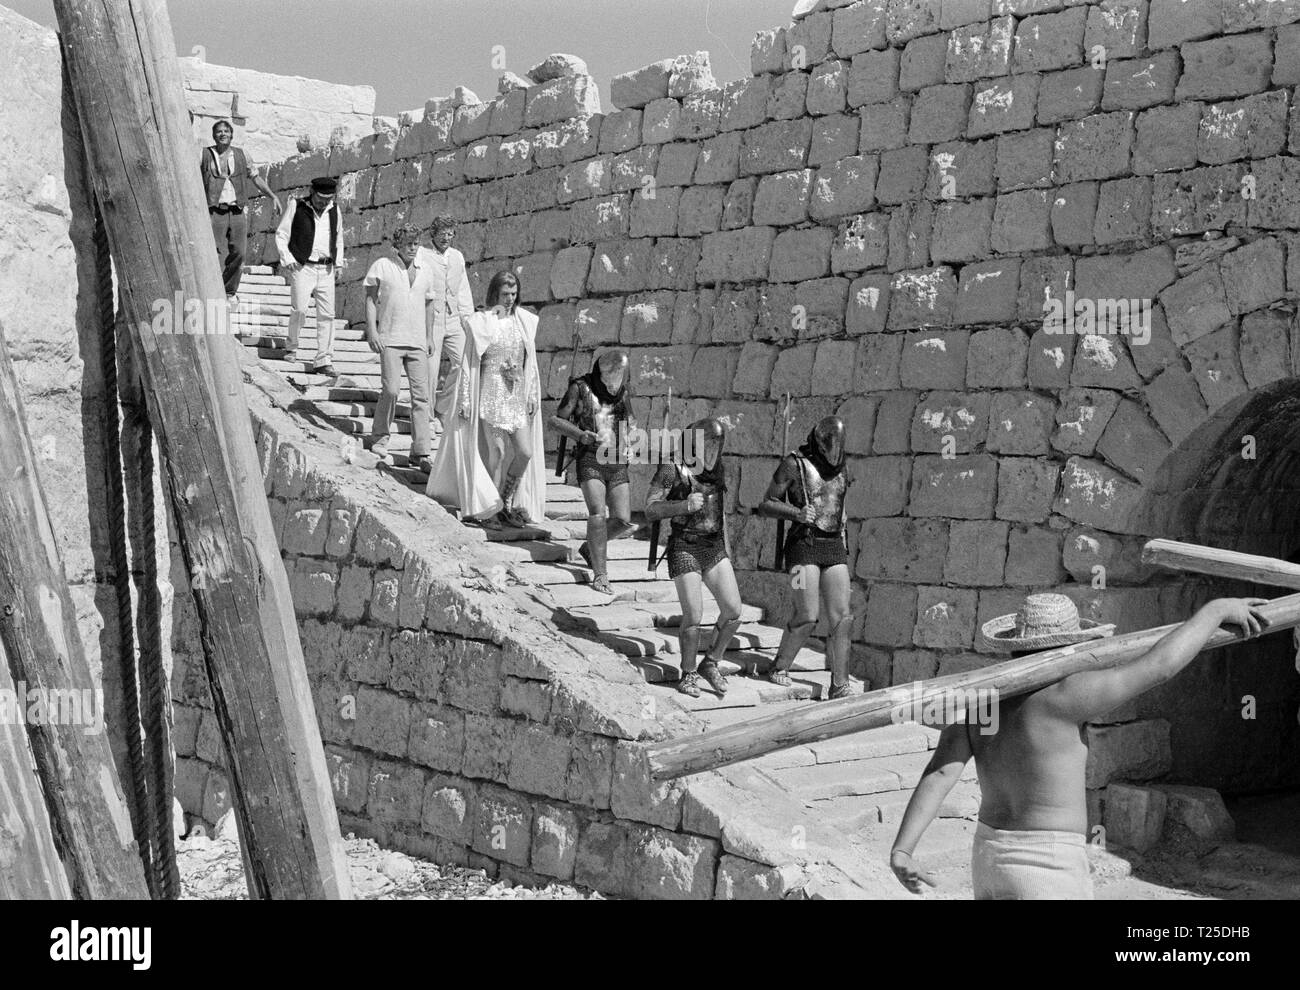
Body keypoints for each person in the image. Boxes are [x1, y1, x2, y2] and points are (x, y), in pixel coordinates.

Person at [889, 593, 1270, 900]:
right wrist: (1216, 610)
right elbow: (1161, 666)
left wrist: (903, 849)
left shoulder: (982, 701)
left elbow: (939, 773)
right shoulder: (1068, 694)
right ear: (1072, 645)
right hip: (1047, 867)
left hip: (988, 856)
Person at [426, 270, 545, 529]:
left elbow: (531, 362)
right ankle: (490, 508)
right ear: (495, 294)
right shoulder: (482, 322)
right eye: (505, 294)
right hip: (490, 393)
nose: (510, 298)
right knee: (498, 453)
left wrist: (532, 393)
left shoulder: (523, 321)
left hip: (514, 395)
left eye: (514, 293)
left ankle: (505, 500)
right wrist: (466, 400)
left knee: (525, 452)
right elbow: (470, 363)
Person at [645, 418, 744, 698]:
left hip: (713, 547)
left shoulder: (718, 468)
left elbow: (719, 511)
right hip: (685, 546)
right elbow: (650, 508)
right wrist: (683, 505)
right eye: (708, 444)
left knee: (734, 611)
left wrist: (727, 550)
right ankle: (688, 673)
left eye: (717, 444)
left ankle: (710, 662)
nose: (713, 450)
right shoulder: (672, 467)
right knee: (694, 615)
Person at [756, 415, 854, 700]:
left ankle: (840, 684)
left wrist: (843, 525)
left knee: (842, 618)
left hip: (834, 545)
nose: (833, 452)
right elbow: (766, 504)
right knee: (808, 616)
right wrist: (795, 513)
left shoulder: (844, 465)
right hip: (803, 546)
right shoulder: (794, 464)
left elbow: (839, 503)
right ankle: (780, 666)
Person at [549, 349, 638, 595]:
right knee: (597, 514)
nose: (618, 378)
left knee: (622, 520)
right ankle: (601, 575)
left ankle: (590, 548)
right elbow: (555, 421)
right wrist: (580, 434)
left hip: (617, 458)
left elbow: (630, 422)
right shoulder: (580, 388)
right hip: (590, 457)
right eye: (615, 373)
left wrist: (630, 441)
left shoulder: (623, 392)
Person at [363, 223, 434, 473]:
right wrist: (373, 331)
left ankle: (421, 450)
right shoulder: (383, 265)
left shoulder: (426, 270)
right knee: (391, 390)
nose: (413, 248)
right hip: (391, 337)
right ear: (397, 247)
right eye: (408, 244)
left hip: (416, 341)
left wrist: (429, 337)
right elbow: (371, 299)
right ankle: (380, 436)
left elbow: (429, 304)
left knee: (422, 397)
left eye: (416, 244)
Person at [200, 119, 281, 305]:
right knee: (214, 253)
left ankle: (228, 291)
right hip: (214, 210)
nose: (223, 134)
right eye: (219, 131)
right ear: (214, 135)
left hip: (236, 210)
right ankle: (210, 290)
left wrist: (272, 196)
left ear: (231, 135)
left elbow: (255, 177)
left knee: (239, 252)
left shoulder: (242, 154)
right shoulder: (204, 154)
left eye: (226, 131)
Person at [275, 176, 344, 378]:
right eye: (321, 198)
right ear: (312, 193)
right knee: (300, 309)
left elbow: (338, 237)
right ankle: (292, 347)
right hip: (303, 266)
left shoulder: (334, 210)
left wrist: (338, 263)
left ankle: (324, 359)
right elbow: (281, 234)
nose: (324, 202)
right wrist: (287, 258)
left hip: (326, 268)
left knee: (328, 315)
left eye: (328, 198)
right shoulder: (296, 205)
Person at [421, 215, 475, 434]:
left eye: (450, 233)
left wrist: (467, 317)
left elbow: (463, 288)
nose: (446, 238)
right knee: (430, 370)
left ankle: (441, 408)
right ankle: (426, 417)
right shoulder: (423, 255)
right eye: (442, 233)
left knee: (463, 365)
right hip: (432, 318)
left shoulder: (457, 256)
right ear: (433, 234)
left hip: (453, 318)